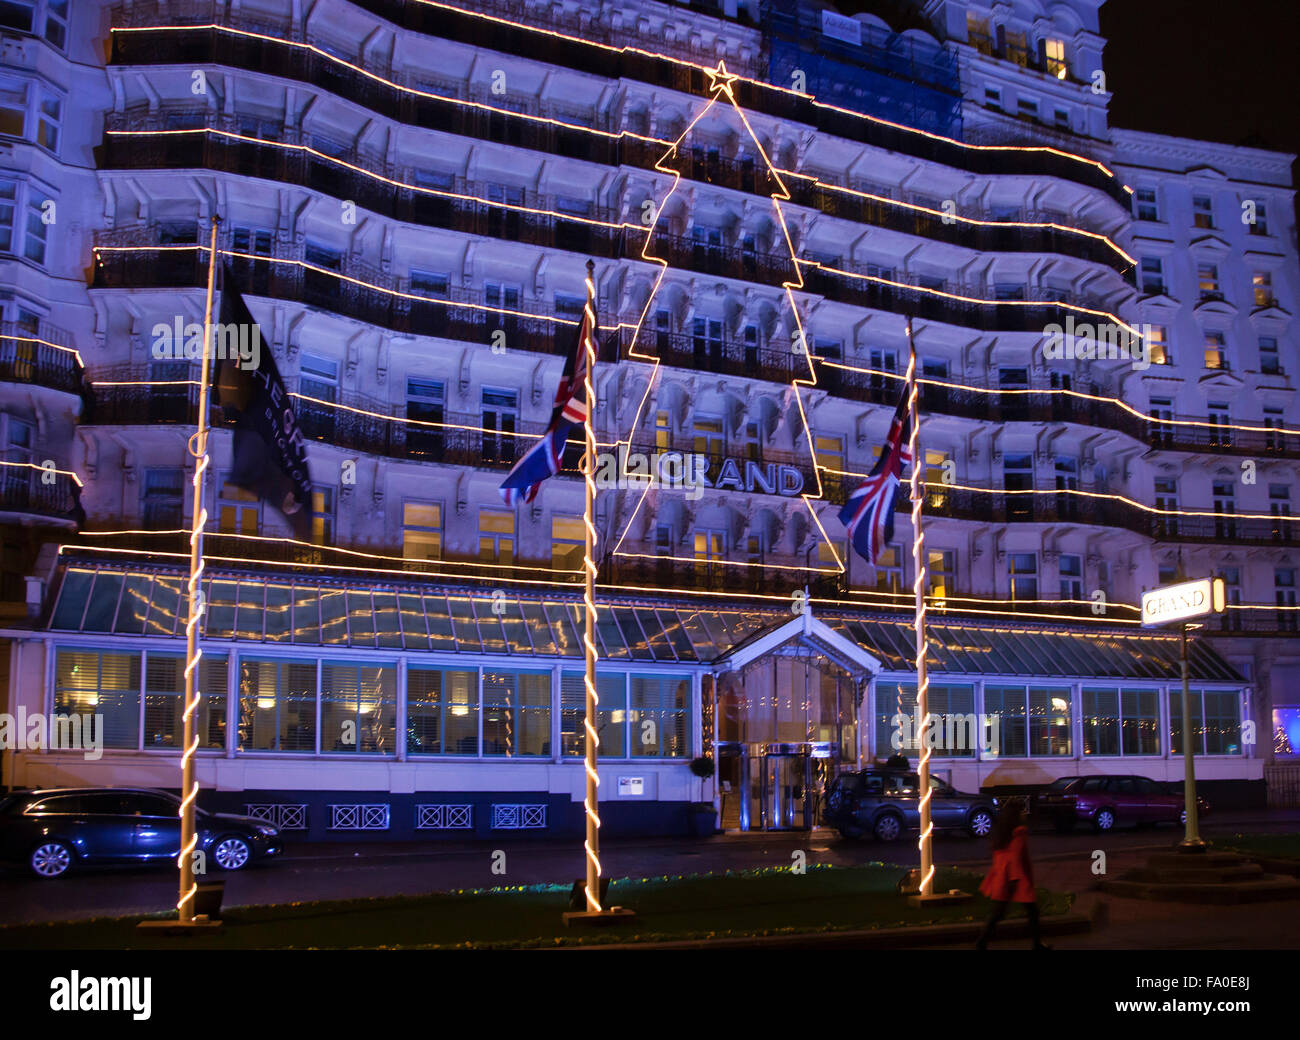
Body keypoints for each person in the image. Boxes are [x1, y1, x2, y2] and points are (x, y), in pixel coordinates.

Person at [975, 800, 1048, 950]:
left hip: (1002, 875)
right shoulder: (1019, 832)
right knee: (1031, 912)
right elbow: (1016, 857)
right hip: (1016, 878)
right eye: (1022, 812)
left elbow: (1001, 856)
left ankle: (982, 942)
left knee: (998, 913)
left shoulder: (1002, 832)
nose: (1024, 815)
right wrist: (1015, 878)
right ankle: (1037, 944)